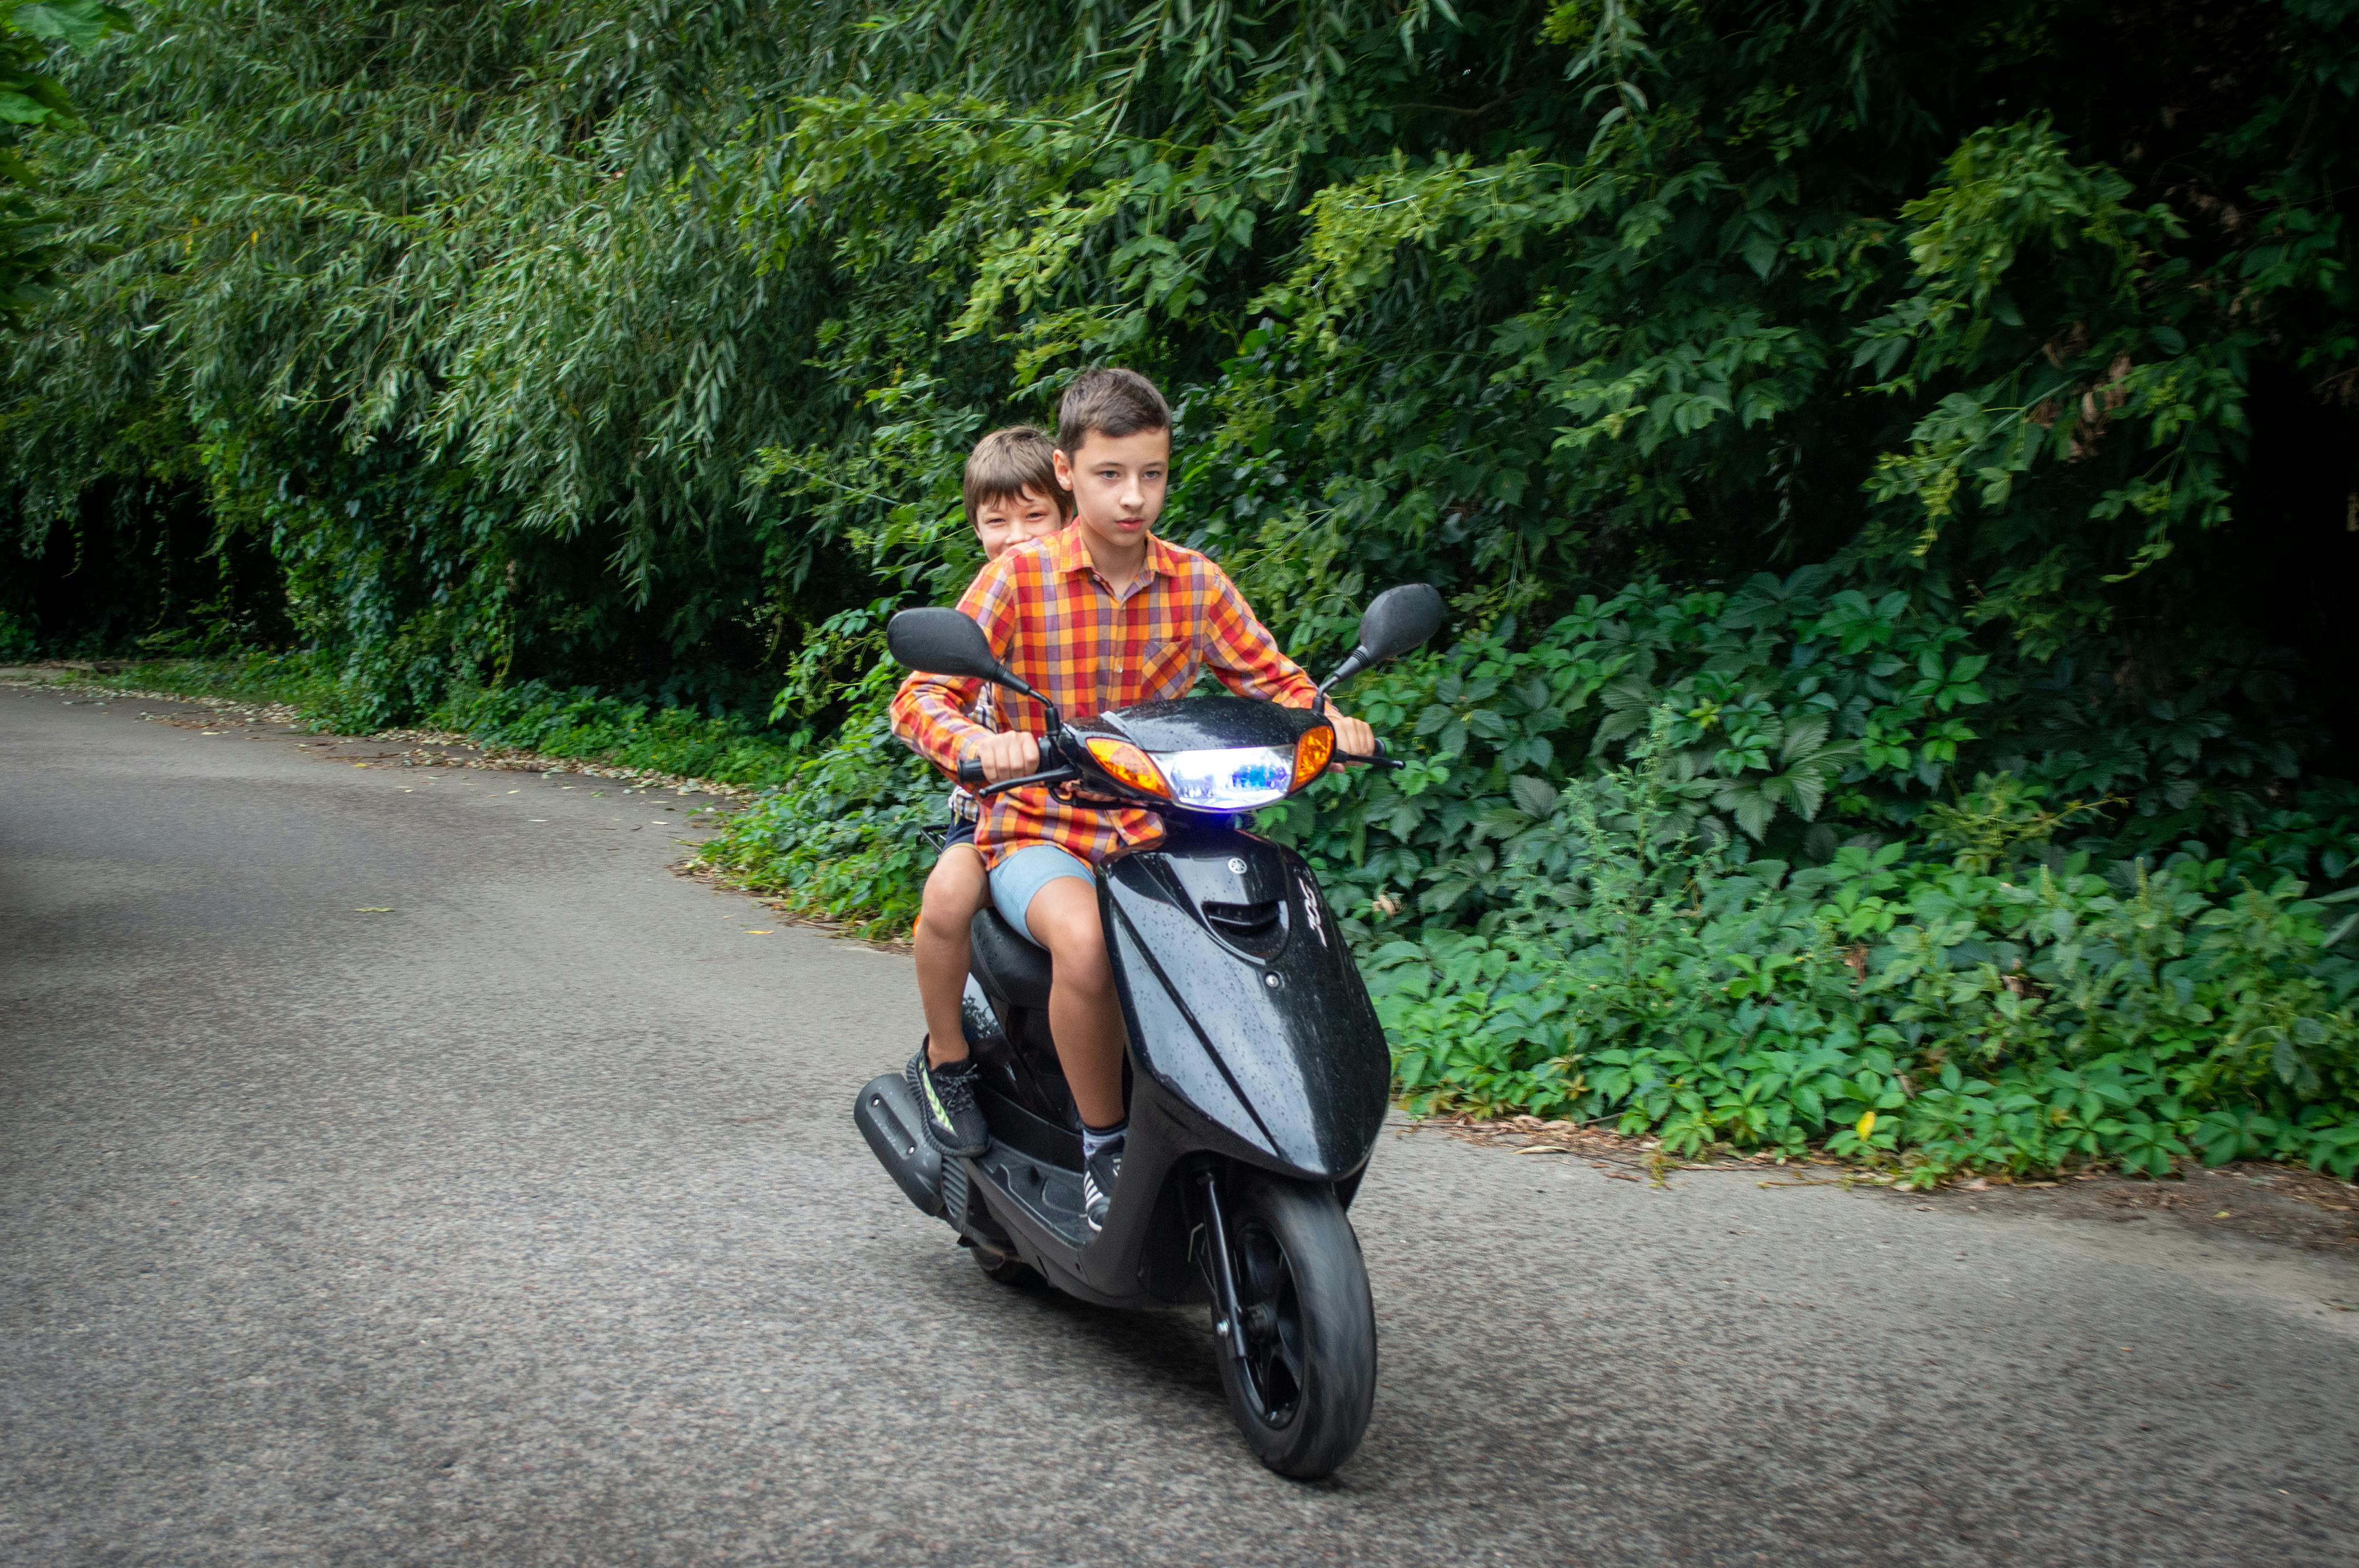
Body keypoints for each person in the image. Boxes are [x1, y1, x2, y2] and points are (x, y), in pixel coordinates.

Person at [892, 368, 1375, 1230]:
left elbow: (1276, 681)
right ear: (1067, 472)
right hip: (1040, 829)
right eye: (1110, 474)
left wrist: (1330, 722)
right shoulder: (1018, 580)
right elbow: (922, 695)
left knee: (1268, 923)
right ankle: (1104, 1143)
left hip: (1164, 832)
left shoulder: (1197, 583)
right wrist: (976, 744)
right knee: (1085, 943)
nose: (1133, 497)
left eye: (1151, 474)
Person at [905, 427, 1072, 1160]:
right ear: (975, 527)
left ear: (1067, 515)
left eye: (1034, 516)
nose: (1015, 537)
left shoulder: (1096, 601)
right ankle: (945, 1060)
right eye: (995, 521)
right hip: (993, 818)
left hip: (1104, 815)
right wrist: (979, 749)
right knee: (946, 897)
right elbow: (930, 702)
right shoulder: (986, 610)